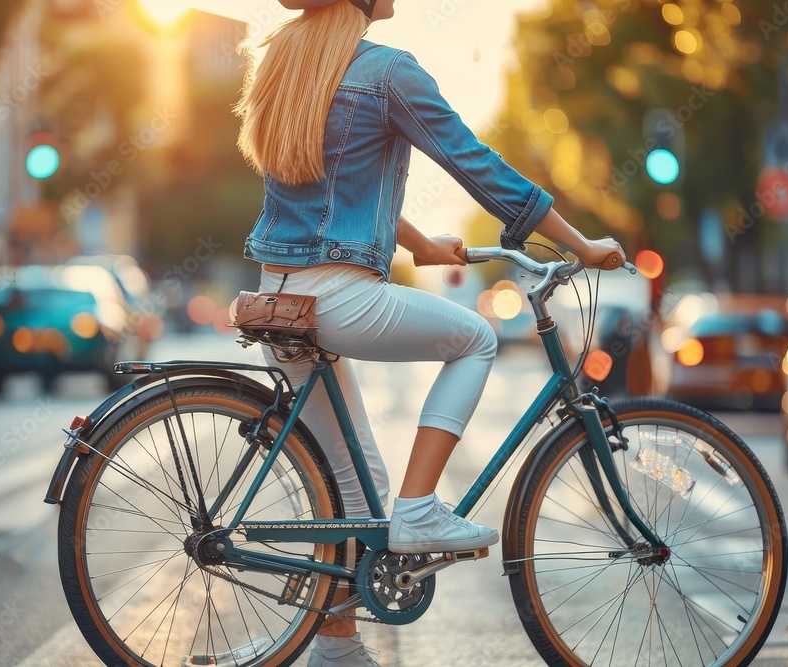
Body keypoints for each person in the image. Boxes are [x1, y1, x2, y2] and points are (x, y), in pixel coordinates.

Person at [234, 1, 625, 664]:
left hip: (279, 294)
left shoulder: (286, 60)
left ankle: (338, 646)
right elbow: (477, 165)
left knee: (353, 490)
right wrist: (580, 243)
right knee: (477, 337)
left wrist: (418, 242)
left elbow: (317, 175)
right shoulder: (388, 72)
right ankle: (419, 508)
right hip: (336, 296)